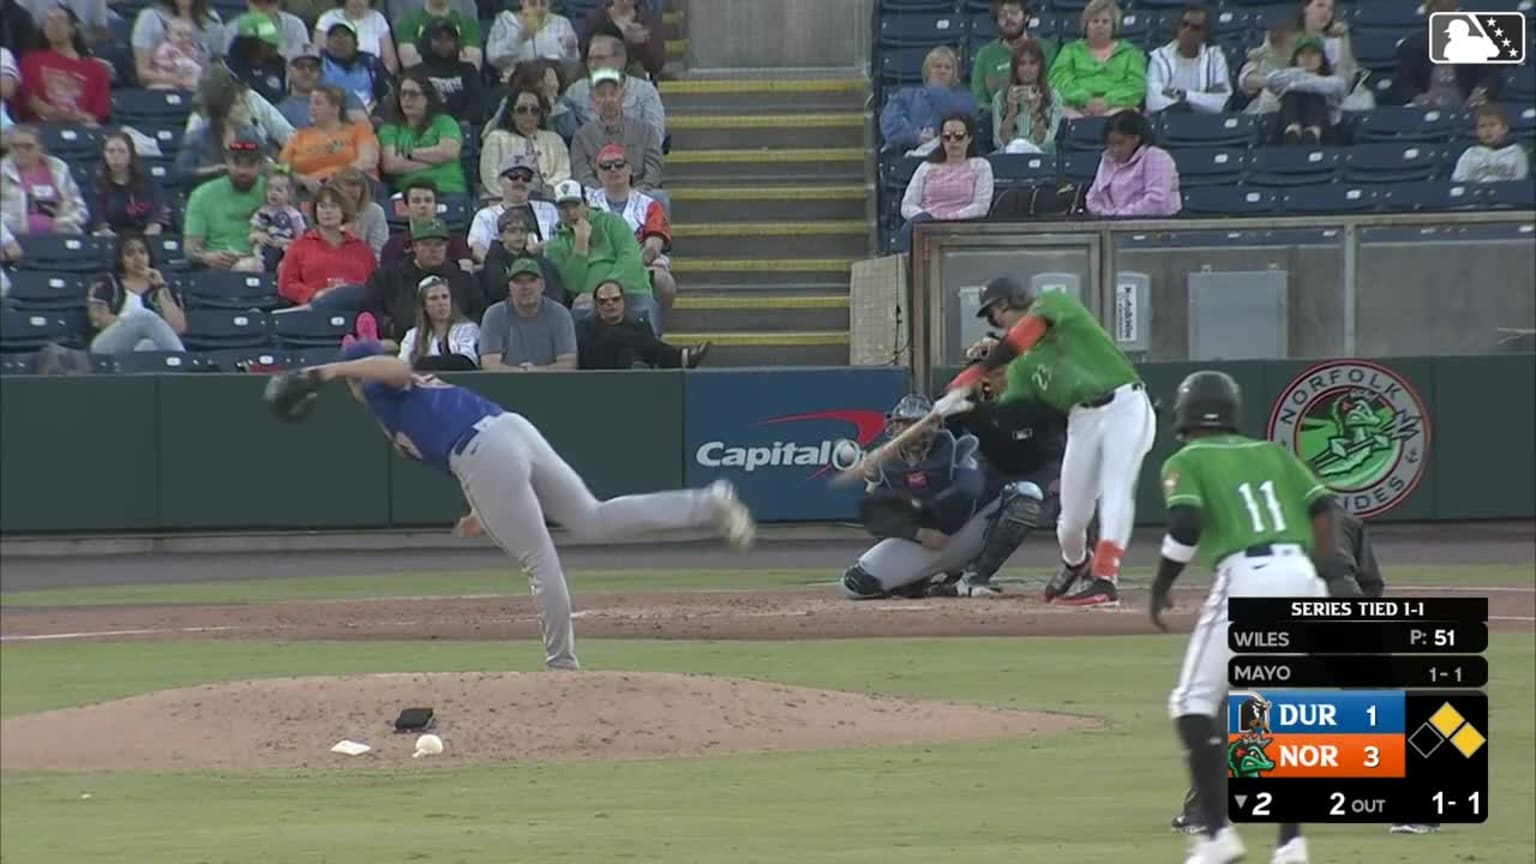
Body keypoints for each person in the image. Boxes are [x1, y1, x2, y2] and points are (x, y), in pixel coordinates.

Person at [301, 338, 755, 669]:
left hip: (484, 447)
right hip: (506, 431)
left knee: (540, 559)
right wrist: (482, 507)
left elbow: (396, 368)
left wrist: (331, 370)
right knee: (592, 519)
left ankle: (561, 666)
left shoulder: (381, 389)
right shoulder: (393, 402)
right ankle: (708, 503)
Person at [1150, 370, 1338, 864]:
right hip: (1300, 574)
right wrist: (1316, 572)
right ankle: (1291, 844)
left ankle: (1216, 835)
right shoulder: (1273, 453)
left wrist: (1161, 584)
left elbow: (1186, 523)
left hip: (1248, 574)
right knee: (1269, 707)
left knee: (1191, 700)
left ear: (1185, 415)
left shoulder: (1185, 459)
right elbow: (1323, 508)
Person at [937, 275, 1156, 609]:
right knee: (1071, 518)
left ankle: (1104, 579)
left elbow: (1018, 338)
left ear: (1010, 302)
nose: (996, 319)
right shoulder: (1022, 369)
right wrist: (969, 411)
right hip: (1082, 419)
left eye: (995, 311)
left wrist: (970, 376)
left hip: (1124, 405)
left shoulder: (1054, 302)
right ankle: (1075, 561)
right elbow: (1016, 416)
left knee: (1115, 489)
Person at [931, 338, 1068, 597]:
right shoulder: (964, 398)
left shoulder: (1036, 394)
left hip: (1041, 467)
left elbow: (1062, 436)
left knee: (1071, 497)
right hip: (994, 469)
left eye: (1002, 367)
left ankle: (1091, 572)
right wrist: (947, 410)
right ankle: (952, 572)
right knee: (954, 497)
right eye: (986, 369)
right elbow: (943, 444)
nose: (994, 375)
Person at [839, 394, 990, 600]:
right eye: (907, 425)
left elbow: (970, 490)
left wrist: (929, 510)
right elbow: (874, 517)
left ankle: (975, 576)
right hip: (919, 541)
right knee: (855, 585)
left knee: (1023, 495)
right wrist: (917, 532)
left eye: (921, 425)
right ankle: (916, 578)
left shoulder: (956, 449)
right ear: (895, 428)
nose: (914, 433)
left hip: (961, 533)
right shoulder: (882, 464)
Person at [545, 178, 658, 333]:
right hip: (590, 300)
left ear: (586, 204)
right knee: (580, 311)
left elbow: (630, 258)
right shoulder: (555, 245)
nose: (571, 213)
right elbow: (573, 285)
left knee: (642, 310)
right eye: (564, 208)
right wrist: (581, 243)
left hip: (629, 289)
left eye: (575, 205)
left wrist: (606, 290)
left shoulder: (612, 221)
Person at [584, 144, 674, 318]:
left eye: (619, 164)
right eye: (606, 166)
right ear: (598, 173)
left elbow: (653, 248)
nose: (613, 170)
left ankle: (655, 335)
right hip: (597, 268)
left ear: (630, 169)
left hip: (639, 266)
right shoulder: (586, 204)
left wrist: (626, 269)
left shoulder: (649, 205)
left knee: (664, 281)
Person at [362, 217, 482, 340]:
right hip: (400, 342)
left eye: (438, 244)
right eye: (426, 244)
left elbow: (477, 314)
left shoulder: (464, 280)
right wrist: (393, 330)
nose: (433, 250)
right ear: (414, 246)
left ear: (447, 246)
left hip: (455, 343)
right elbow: (371, 311)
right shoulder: (387, 277)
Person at [896, 114, 994, 253]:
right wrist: (928, 218)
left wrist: (951, 218)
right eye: (947, 137)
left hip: (964, 228)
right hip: (927, 228)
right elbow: (907, 205)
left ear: (970, 138)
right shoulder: (927, 167)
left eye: (959, 136)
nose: (953, 141)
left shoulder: (981, 166)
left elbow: (981, 206)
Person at [86, 232, 188, 354]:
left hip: (144, 349)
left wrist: (160, 287)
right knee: (144, 317)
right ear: (121, 259)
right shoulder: (107, 282)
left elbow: (178, 328)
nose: (138, 258)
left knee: (148, 345)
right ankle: (185, 367)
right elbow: (99, 319)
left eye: (142, 252)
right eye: (130, 253)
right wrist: (136, 325)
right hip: (107, 346)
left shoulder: (163, 284)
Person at [277, 184, 375, 309]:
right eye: (322, 206)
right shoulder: (299, 246)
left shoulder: (361, 249)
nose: (327, 211)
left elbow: (373, 286)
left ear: (343, 211)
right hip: (313, 311)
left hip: (355, 311)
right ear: (315, 211)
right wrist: (314, 294)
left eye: (333, 206)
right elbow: (286, 285)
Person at [1390, 0, 1501, 109]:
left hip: (1467, 106)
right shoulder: (1412, 45)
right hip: (1426, 107)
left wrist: (1479, 93)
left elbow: (1490, 76)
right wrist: (1418, 97)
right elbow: (1404, 82)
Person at [570, 68, 664, 194]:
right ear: (593, 99)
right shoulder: (581, 136)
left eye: (613, 93)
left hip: (639, 194)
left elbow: (654, 171)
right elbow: (582, 175)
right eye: (601, 94)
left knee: (659, 196)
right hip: (598, 197)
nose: (608, 99)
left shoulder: (646, 131)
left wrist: (634, 195)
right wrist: (605, 196)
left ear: (623, 94)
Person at [576, 280, 707, 370]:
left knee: (628, 355)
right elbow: (589, 355)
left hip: (634, 382)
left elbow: (651, 355)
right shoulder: (586, 328)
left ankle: (638, 370)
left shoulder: (640, 327)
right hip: (599, 378)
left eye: (615, 299)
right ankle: (679, 358)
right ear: (597, 306)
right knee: (619, 340)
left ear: (624, 301)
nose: (610, 304)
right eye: (603, 301)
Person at [1048, 0, 1147, 119]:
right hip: (1075, 108)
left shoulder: (1130, 53)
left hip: (1116, 108)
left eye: (1105, 22)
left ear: (1113, 26)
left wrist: (1108, 101)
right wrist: (1084, 99)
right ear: (1086, 25)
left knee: (1130, 115)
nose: (1100, 25)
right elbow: (1058, 80)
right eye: (1095, 21)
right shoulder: (1070, 50)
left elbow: (1136, 85)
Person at [554, 35, 664, 141]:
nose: (593, 65)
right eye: (590, 59)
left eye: (600, 58)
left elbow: (655, 136)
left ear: (620, 60)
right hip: (589, 155)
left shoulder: (645, 91)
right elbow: (562, 130)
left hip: (636, 155)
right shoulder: (577, 90)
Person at [183, 138, 267, 271]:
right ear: (227, 162)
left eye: (250, 164)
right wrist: (206, 257)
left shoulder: (272, 191)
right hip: (217, 270)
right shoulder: (203, 194)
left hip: (263, 262)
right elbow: (190, 249)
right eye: (236, 163)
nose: (242, 171)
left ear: (261, 164)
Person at [378, 69, 466, 195]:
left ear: (427, 98)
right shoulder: (390, 129)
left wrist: (408, 154)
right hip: (410, 194)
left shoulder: (445, 122)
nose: (407, 99)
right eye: (403, 94)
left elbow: (449, 152)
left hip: (448, 188)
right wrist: (437, 161)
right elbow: (391, 165)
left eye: (413, 94)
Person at [479, 258, 576, 371]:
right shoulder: (494, 315)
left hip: (552, 384)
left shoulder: (560, 314)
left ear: (542, 285)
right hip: (506, 384)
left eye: (531, 280)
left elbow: (569, 362)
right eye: (518, 281)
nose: (525, 287)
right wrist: (520, 373)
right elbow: (489, 363)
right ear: (509, 287)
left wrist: (537, 372)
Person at [18, 5, 110, 125]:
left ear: (73, 28)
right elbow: (31, 100)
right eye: (49, 20)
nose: (53, 24)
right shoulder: (30, 61)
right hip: (41, 128)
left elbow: (98, 114)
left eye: (60, 20)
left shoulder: (96, 69)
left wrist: (82, 120)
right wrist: (67, 117)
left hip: (83, 130)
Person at [177, 67, 269, 187]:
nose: (244, 107)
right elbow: (182, 173)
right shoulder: (197, 137)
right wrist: (213, 170)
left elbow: (263, 162)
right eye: (237, 103)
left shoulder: (250, 134)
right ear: (224, 106)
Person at [479, 81, 572, 198]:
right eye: (522, 110)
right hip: (504, 201)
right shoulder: (496, 138)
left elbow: (563, 172)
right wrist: (513, 197)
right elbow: (490, 177)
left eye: (534, 110)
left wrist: (548, 190)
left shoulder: (554, 139)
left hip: (548, 200)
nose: (529, 114)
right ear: (512, 114)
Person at [279, 84, 379, 191]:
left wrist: (336, 177)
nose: (310, 108)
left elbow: (367, 161)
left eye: (317, 103)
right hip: (309, 190)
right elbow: (282, 168)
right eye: (310, 103)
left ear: (335, 109)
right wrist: (304, 180)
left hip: (351, 186)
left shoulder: (358, 130)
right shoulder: (298, 137)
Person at [879, 46, 977, 153]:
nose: (942, 71)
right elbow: (890, 124)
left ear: (954, 74)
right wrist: (916, 136)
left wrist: (936, 90)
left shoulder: (965, 99)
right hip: (909, 154)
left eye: (948, 67)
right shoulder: (905, 95)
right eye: (937, 66)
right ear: (927, 71)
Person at [1085, 110, 1181, 217]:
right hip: (1112, 225)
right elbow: (1092, 198)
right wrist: (1107, 215)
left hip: (1156, 226)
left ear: (1136, 138)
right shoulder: (1107, 159)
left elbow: (1156, 202)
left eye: (1120, 143)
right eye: (1111, 144)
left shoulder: (1157, 157)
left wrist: (1119, 216)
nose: (1115, 150)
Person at [468, 153, 558, 263]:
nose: (520, 181)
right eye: (513, 176)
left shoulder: (548, 209)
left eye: (526, 178)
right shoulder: (485, 216)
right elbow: (478, 249)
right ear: (500, 181)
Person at [971, 0, 1058, 113]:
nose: (1008, 18)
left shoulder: (1047, 49)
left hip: (1040, 115)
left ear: (1026, 17)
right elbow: (980, 101)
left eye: (1014, 12)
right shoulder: (985, 55)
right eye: (1002, 15)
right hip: (997, 120)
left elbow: (1054, 90)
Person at [0, 124, 88, 236]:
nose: (21, 151)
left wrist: (63, 221)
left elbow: (79, 209)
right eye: (15, 146)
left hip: (58, 237)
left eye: (28, 146)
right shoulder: (2, 171)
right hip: (14, 241)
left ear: (39, 147)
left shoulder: (58, 168)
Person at [1145, 4, 1231, 115]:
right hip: (1167, 119)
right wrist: (1199, 99)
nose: (1188, 31)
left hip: (1204, 122)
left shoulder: (1216, 58)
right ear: (1178, 27)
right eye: (1185, 25)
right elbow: (1153, 102)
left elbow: (1220, 102)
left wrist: (1184, 95)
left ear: (1204, 33)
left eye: (1196, 28)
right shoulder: (1159, 57)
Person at [1267, 34, 1345, 146]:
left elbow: (1332, 86)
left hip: (1326, 134)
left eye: (1313, 53)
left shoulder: (1333, 80)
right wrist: (1298, 77)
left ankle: (1312, 133)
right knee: (1292, 96)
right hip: (1284, 131)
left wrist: (1293, 83)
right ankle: (1293, 130)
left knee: (1314, 95)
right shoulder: (1286, 75)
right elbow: (1271, 80)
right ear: (1296, 58)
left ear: (1321, 58)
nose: (1308, 58)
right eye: (1303, 54)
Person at [90, 132, 170, 237]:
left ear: (131, 154)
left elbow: (157, 217)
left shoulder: (147, 182)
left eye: (122, 151)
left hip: (146, 239)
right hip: (113, 239)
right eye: (110, 151)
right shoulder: (97, 184)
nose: (116, 156)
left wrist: (145, 240)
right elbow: (99, 224)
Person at [380, 178, 473, 268]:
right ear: (406, 208)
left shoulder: (455, 242)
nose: (423, 205)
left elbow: (465, 274)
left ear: (436, 207)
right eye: (416, 201)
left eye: (428, 201)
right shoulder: (393, 246)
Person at [130, 0, 222, 90]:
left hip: (200, 87)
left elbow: (216, 65)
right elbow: (143, 74)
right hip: (162, 84)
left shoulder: (212, 20)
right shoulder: (150, 17)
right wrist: (180, 80)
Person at [482, 207, 564, 307]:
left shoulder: (537, 261)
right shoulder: (493, 260)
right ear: (501, 236)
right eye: (512, 231)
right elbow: (497, 292)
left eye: (523, 230)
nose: (519, 235)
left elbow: (554, 293)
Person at [992, 42, 1060, 155]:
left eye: (1032, 63)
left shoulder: (1053, 97)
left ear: (1040, 67)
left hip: (1040, 156)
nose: (1027, 68)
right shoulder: (1000, 98)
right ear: (1015, 68)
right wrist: (1011, 113)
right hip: (1009, 155)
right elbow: (999, 142)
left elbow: (1047, 142)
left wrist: (1035, 113)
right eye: (1022, 64)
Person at [279, 44, 369, 129]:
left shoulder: (344, 96)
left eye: (313, 67)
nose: (307, 71)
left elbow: (364, 129)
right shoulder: (280, 111)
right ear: (288, 69)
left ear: (321, 71)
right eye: (300, 66)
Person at [399, 274, 479, 370]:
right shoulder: (412, 335)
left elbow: (467, 362)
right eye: (433, 298)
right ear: (424, 306)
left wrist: (421, 363)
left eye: (445, 297)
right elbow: (402, 367)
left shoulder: (468, 329)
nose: (441, 303)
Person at [415, 18, 484, 123]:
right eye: (438, 39)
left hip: (463, 127)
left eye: (448, 39)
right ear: (427, 41)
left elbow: (477, 104)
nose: (444, 44)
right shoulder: (415, 73)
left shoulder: (468, 70)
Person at [487, 0, 578, 75]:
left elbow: (573, 63)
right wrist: (521, 37)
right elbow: (493, 57)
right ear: (522, 2)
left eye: (543, 4)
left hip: (554, 81)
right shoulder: (505, 21)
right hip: (516, 82)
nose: (538, 9)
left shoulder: (561, 23)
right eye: (532, 3)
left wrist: (571, 50)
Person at [577, 0, 663, 80]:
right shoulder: (596, 19)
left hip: (637, 80)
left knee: (636, 69)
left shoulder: (648, 21)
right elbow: (584, 56)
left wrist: (641, 45)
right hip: (600, 76)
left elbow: (656, 64)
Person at [319, 19, 390, 114]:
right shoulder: (319, 62)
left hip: (368, 116)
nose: (339, 39)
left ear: (356, 42)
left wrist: (379, 115)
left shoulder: (370, 62)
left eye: (345, 35)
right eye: (334, 35)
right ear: (327, 43)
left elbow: (387, 95)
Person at [1452, 104, 1530, 184]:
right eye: (1482, 126)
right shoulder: (1470, 154)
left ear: (1504, 128)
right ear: (1476, 131)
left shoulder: (1516, 151)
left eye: (1492, 125)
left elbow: (1520, 181)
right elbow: (1459, 180)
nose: (1487, 130)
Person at [314, 0, 398, 74]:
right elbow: (319, 57)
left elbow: (390, 63)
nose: (358, 1)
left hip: (372, 78)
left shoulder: (378, 19)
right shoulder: (327, 19)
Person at [394, 0, 482, 70]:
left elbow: (473, 65)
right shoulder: (409, 21)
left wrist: (424, 57)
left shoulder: (467, 23)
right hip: (423, 84)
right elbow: (410, 64)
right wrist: (458, 57)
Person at [225, 12, 289, 105]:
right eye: (268, 42)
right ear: (252, 43)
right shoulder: (231, 71)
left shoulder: (279, 65)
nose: (275, 45)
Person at [249, 169, 305, 271]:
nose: (273, 193)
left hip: (285, 253)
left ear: (289, 194)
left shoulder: (294, 215)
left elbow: (301, 242)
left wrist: (287, 242)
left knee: (283, 267)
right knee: (254, 266)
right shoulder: (262, 212)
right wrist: (258, 236)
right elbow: (251, 235)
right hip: (264, 253)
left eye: (279, 190)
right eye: (270, 189)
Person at [332, 167, 389, 258]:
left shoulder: (374, 211)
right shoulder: (329, 211)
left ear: (363, 191)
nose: (349, 201)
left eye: (355, 186)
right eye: (345, 195)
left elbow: (379, 251)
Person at [146, 16, 208, 91]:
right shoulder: (165, 47)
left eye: (188, 35)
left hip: (187, 77)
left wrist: (191, 56)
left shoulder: (190, 49)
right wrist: (173, 64)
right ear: (168, 35)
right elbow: (159, 60)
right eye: (179, 34)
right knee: (160, 87)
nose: (184, 38)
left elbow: (195, 62)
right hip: (168, 77)